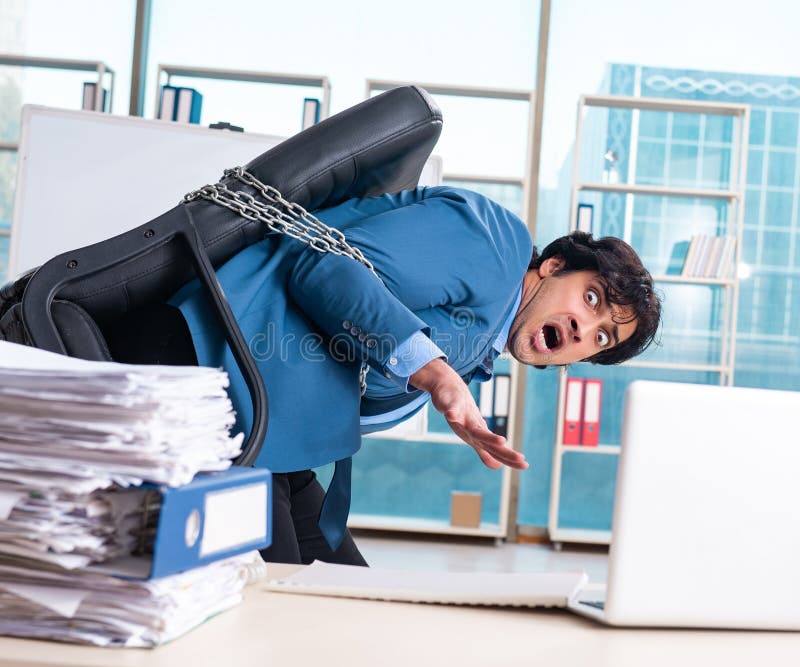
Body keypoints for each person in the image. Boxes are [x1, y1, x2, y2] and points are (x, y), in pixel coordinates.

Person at [140, 185, 661, 566]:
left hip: (270, 433)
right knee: (278, 611)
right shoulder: (494, 245)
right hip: (213, 374)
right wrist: (436, 376)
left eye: (601, 338)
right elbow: (324, 267)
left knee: (352, 606)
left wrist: (443, 375)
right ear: (552, 266)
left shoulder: (480, 347)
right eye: (591, 298)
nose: (582, 327)